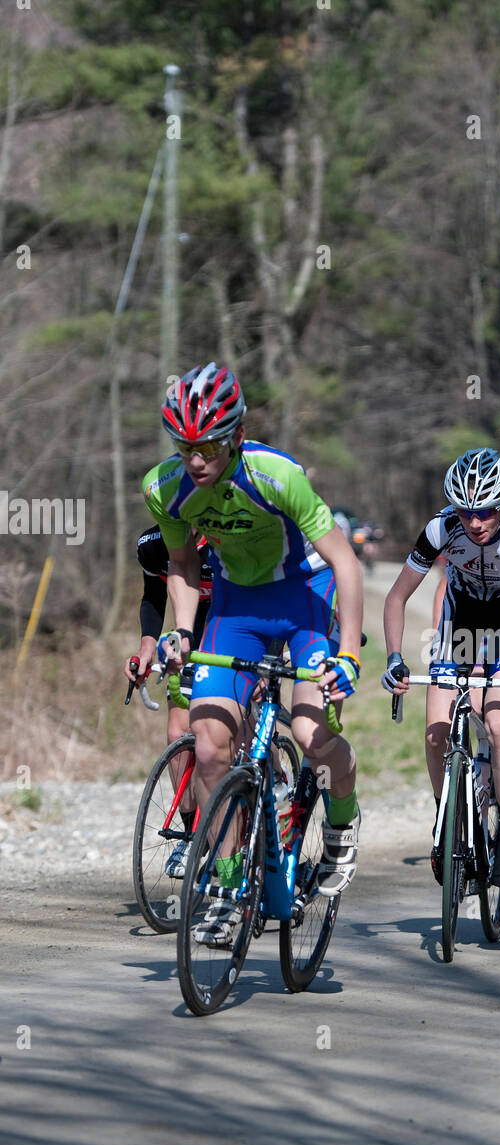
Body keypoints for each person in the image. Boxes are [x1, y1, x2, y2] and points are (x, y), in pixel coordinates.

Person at [142, 362, 364, 943]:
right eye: (185, 446)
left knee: (315, 738)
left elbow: (345, 562)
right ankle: (225, 875)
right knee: (210, 744)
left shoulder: (276, 475)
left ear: (237, 435)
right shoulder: (165, 488)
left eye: (209, 445)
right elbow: (184, 564)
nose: (196, 459)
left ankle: (342, 820)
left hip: (303, 600)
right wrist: (183, 635)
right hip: (236, 609)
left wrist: (348, 655)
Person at [381, 448, 500, 887]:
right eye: (465, 512)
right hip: (460, 626)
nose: (475, 523)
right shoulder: (440, 529)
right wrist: (394, 657)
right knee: (435, 732)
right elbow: (396, 597)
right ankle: (447, 820)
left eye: (484, 512)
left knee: (498, 726)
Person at [123, 526, 214, 877]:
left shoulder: (225, 541)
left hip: (234, 622)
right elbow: (153, 594)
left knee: (231, 724)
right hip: (187, 630)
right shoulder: (151, 545)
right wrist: (148, 646)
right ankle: (193, 833)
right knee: (179, 736)